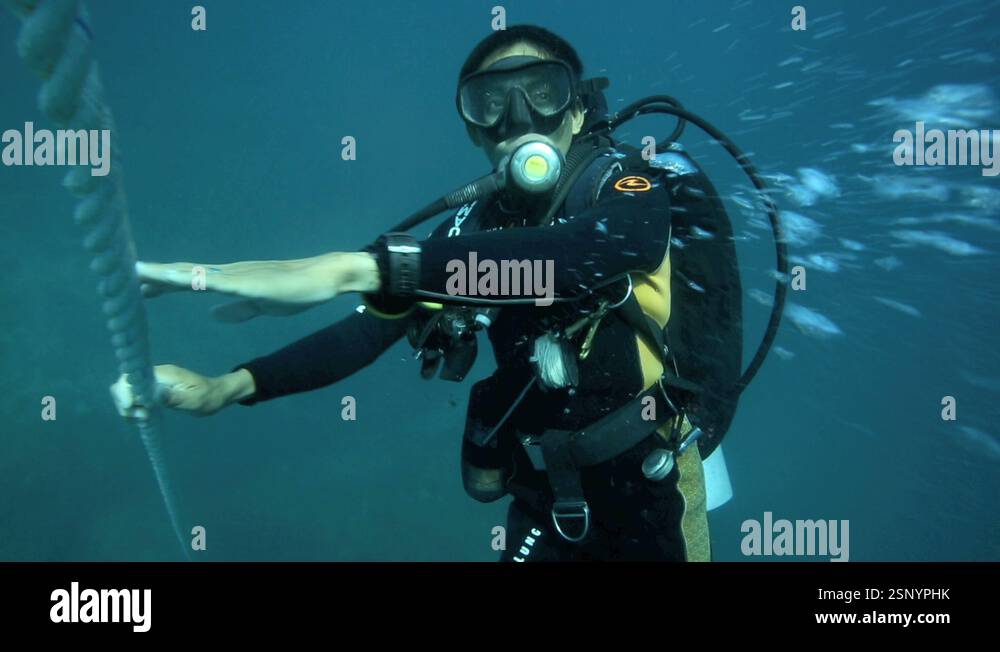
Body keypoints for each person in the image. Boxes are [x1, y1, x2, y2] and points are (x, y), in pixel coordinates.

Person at [115, 25, 757, 561]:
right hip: (539, 494)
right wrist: (227, 387)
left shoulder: (626, 184)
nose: (516, 119)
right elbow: (365, 334)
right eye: (489, 104)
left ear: (579, 105)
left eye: (541, 93)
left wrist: (362, 267)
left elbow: (610, 248)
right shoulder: (467, 230)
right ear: (473, 129)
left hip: (653, 484)